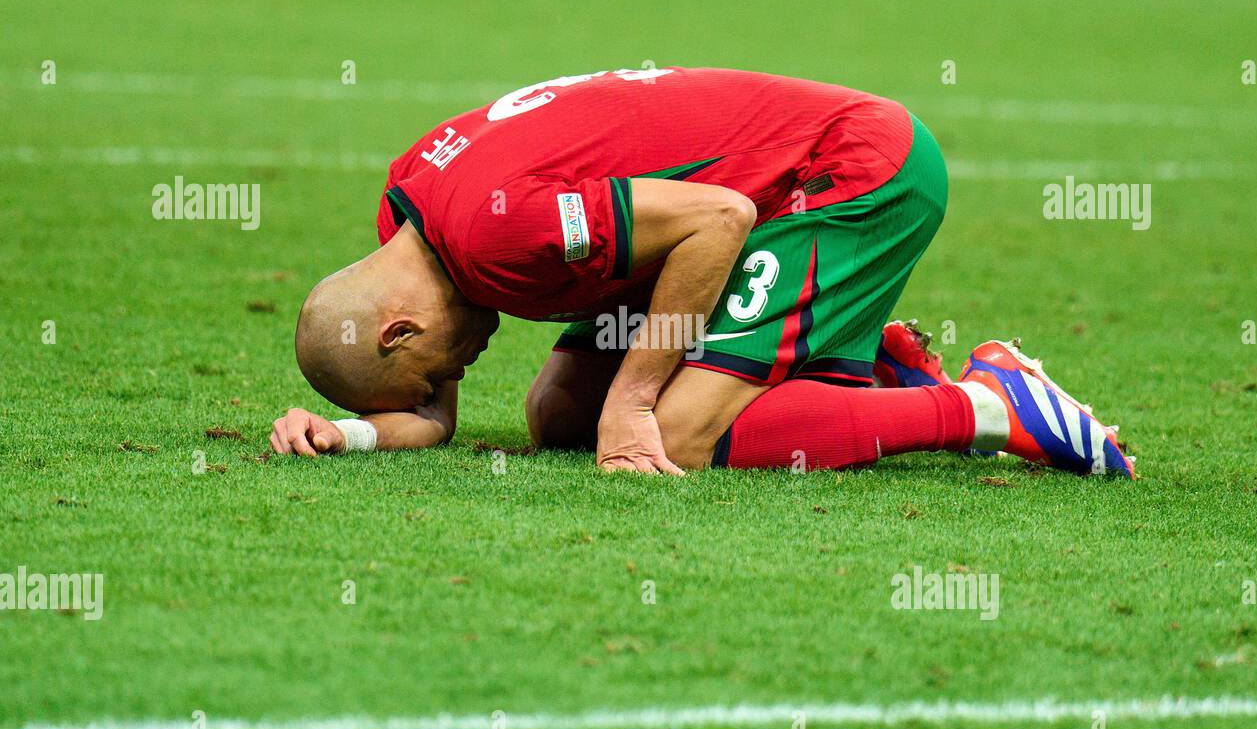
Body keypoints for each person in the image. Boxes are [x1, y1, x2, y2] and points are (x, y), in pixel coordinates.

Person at [272, 67, 1133, 479]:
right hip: (751, 205)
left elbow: (719, 219)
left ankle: (991, 406)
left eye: (434, 372)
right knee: (557, 416)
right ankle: (861, 363)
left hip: (849, 171)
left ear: (400, 329)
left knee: (676, 435)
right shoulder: (407, 217)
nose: (452, 380)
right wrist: (345, 434)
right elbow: (434, 422)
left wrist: (634, 400)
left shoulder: (494, 234)